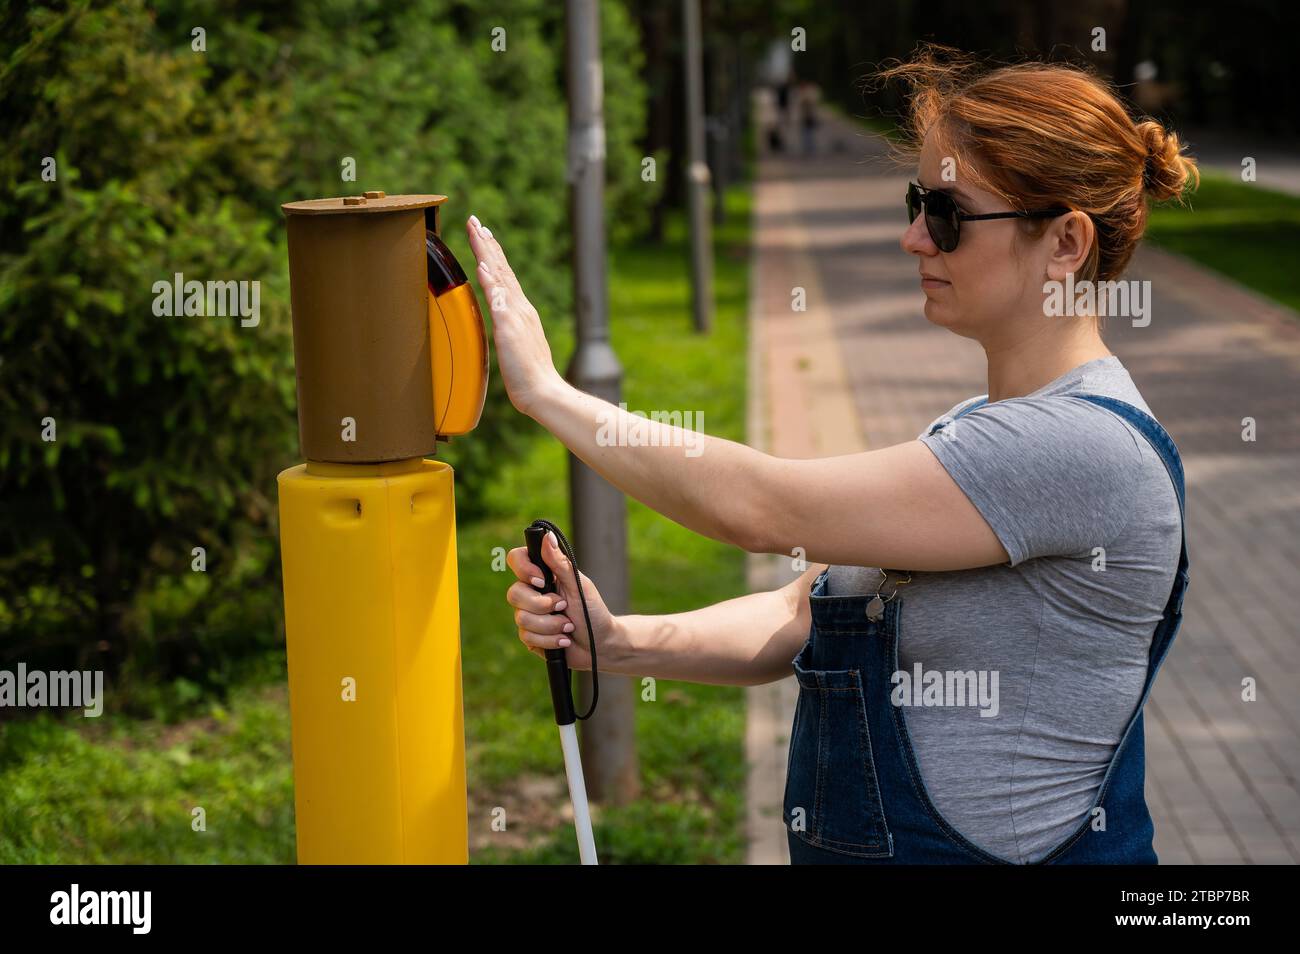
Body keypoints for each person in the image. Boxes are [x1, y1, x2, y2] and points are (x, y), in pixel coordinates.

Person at [465, 42, 1198, 865]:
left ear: (1065, 242)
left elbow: (760, 508)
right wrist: (620, 642)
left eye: (948, 215)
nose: (914, 238)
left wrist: (548, 394)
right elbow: (806, 611)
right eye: (916, 202)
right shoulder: (975, 428)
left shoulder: (1079, 448)